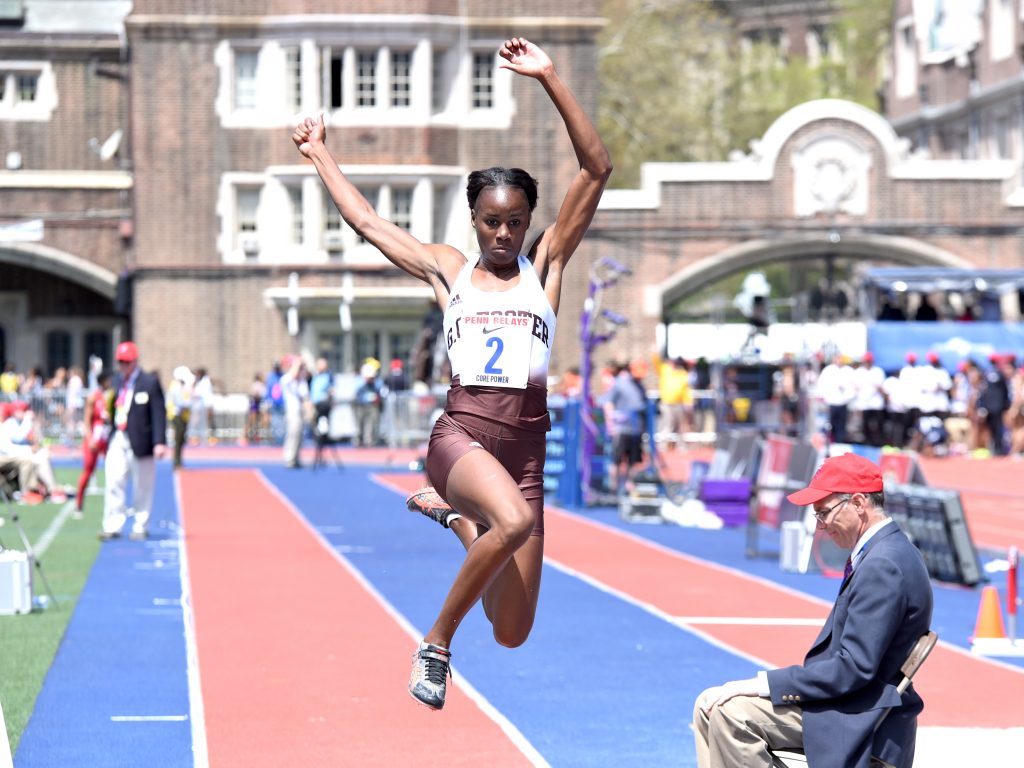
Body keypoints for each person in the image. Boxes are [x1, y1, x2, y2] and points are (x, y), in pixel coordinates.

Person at [293, 35, 611, 710]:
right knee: (516, 525)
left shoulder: (546, 267)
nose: (504, 235)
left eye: (515, 223)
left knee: (514, 631)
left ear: (529, 224)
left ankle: (457, 523)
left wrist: (549, 76)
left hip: (524, 444)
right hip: (461, 435)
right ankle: (435, 643)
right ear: (474, 220)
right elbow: (368, 221)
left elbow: (597, 167)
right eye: (492, 222)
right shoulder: (448, 269)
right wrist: (319, 151)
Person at [693, 453, 933, 768]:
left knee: (730, 714)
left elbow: (852, 669)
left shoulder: (883, 564)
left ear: (858, 503)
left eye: (823, 513)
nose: (820, 526)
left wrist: (762, 684)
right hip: (851, 702)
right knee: (706, 706)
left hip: (859, 712)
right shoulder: (886, 551)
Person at [101, 340, 167, 541]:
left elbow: (158, 414)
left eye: (127, 362)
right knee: (114, 480)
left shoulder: (149, 382)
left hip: (142, 441)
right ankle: (112, 524)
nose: (123, 366)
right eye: (120, 362)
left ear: (135, 361)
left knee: (143, 486)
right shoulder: (117, 381)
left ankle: (140, 524)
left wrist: (159, 442)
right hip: (119, 437)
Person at [74, 370, 114, 516]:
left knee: (114, 471)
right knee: (88, 471)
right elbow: (87, 420)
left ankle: (114, 506)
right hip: (94, 439)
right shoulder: (93, 397)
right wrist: (89, 438)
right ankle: (79, 504)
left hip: (107, 438)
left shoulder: (112, 396)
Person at [166, 365, 195, 469]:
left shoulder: (181, 385)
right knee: (178, 440)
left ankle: (178, 461)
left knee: (181, 440)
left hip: (181, 415)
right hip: (176, 415)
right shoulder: (176, 386)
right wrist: (189, 403)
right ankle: (176, 462)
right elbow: (180, 402)